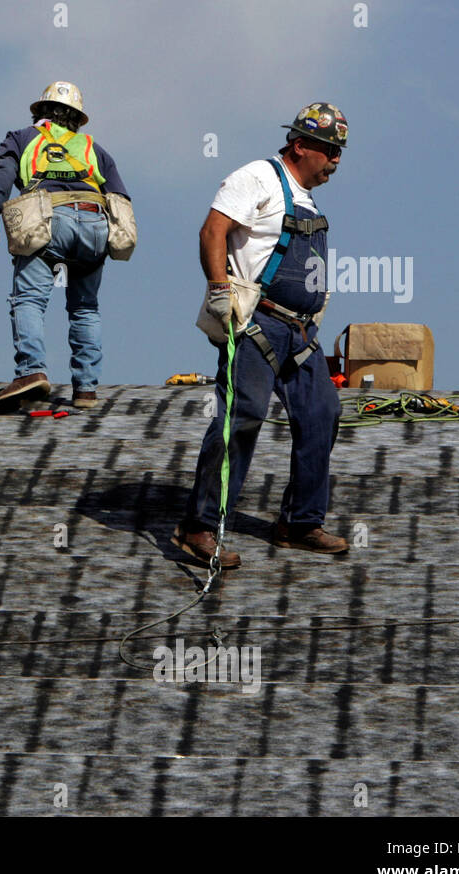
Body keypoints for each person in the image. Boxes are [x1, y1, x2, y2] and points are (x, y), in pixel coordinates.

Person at [175, 103, 352, 568]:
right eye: (330, 150)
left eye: (340, 152)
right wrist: (218, 290)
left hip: (301, 332)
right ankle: (200, 527)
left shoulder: (307, 200)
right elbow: (213, 231)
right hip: (257, 322)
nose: (336, 160)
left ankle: (299, 524)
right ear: (301, 145)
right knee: (242, 416)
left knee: (322, 413)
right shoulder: (256, 177)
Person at [0, 81, 132, 412]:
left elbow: (2, 174)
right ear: (76, 118)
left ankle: (31, 372)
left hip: (48, 218)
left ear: (41, 112)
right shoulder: (94, 148)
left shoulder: (20, 138)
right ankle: (86, 390)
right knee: (85, 307)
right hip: (95, 223)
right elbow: (120, 196)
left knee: (29, 299)